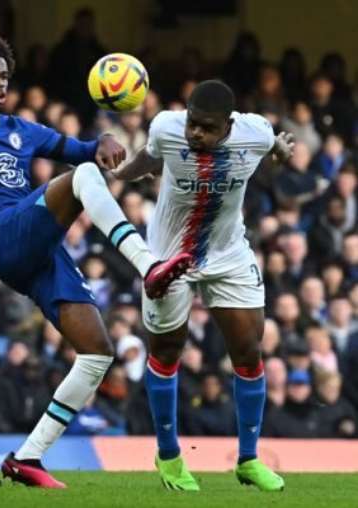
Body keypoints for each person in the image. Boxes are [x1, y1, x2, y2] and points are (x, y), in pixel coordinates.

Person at [0, 31, 192, 488]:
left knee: (97, 353)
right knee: (80, 178)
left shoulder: (23, 130)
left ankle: (28, 458)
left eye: (4, 76)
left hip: (39, 250)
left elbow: (86, 152)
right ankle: (148, 265)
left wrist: (103, 137)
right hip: (1, 236)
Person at [112, 79, 294, 491]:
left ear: (228, 124)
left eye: (207, 128)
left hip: (228, 255)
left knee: (248, 350)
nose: (195, 133)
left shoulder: (254, 132)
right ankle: (170, 456)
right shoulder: (165, 128)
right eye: (193, 123)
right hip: (168, 257)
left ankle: (248, 460)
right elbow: (151, 155)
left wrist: (281, 149)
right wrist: (123, 173)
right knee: (166, 351)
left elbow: (272, 144)